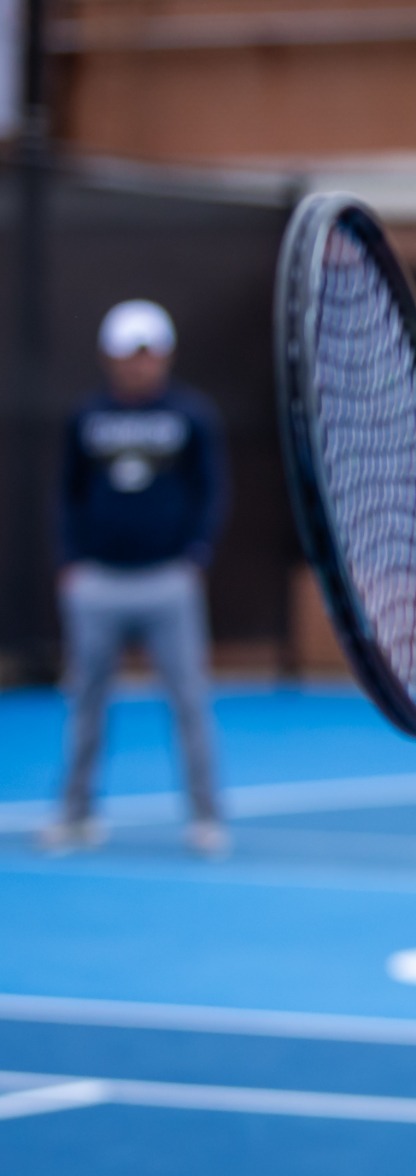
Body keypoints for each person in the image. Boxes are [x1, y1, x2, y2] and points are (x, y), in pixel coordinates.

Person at [42, 299, 230, 859]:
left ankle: (205, 817)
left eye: (148, 354)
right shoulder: (86, 417)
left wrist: (195, 553)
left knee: (189, 699)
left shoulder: (191, 416)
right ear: (109, 358)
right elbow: (68, 493)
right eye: (129, 355)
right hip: (97, 582)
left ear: (164, 356)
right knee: (86, 701)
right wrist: (72, 561)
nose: (138, 365)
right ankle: (75, 814)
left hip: (168, 580)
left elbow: (211, 488)